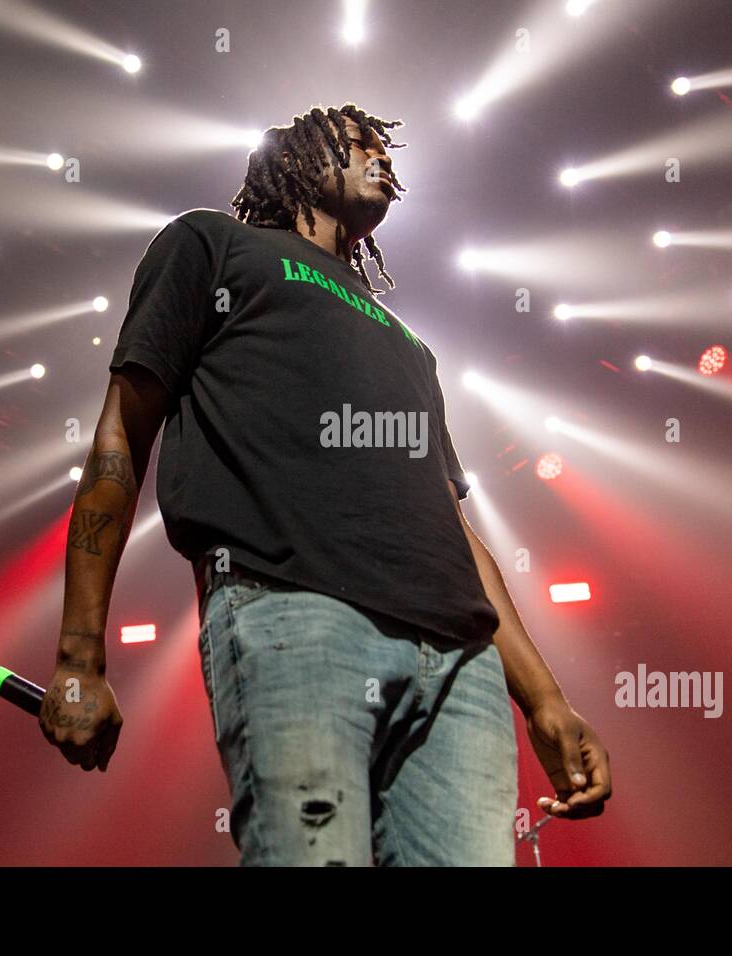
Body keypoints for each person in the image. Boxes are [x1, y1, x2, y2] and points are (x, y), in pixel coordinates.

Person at [39, 103, 611, 865]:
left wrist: (546, 699)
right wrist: (80, 658)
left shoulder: (410, 345)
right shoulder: (212, 246)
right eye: (361, 142)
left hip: (460, 665)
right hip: (294, 613)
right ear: (296, 160)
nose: (381, 155)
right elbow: (121, 436)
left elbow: (451, 523)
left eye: (388, 147)